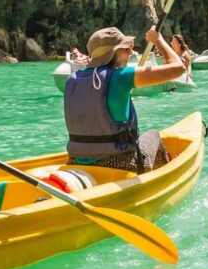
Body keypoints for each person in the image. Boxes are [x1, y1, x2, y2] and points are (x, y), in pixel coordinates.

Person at [63, 26, 190, 173]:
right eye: (125, 49)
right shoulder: (123, 76)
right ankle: (163, 176)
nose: (131, 52)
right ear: (113, 53)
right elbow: (179, 68)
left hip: (76, 160)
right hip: (119, 162)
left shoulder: (72, 79)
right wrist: (158, 39)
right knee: (153, 135)